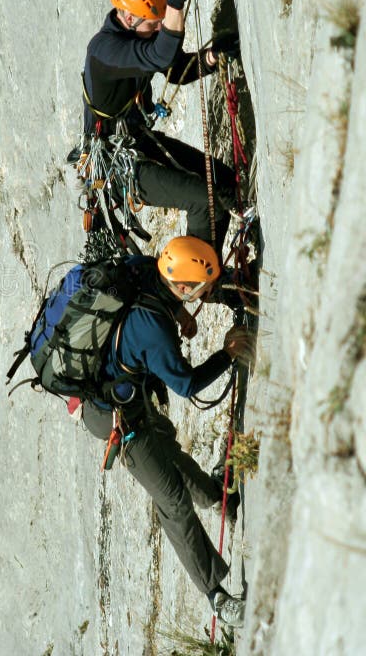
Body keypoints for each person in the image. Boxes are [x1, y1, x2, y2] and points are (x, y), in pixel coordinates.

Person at [81, 235, 253, 628]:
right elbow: (187, 385)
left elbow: (158, 303)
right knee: (172, 501)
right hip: (115, 422)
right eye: (200, 291)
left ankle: (216, 498)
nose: (203, 295)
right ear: (183, 286)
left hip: (126, 398)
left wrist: (180, 316)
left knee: (168, 449)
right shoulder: (152, 330)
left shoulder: (147, 269)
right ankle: (217, 598)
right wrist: (227, 354)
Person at [74, 0, 244, 253]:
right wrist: (175, 6)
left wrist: (212, 57)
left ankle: (229, 258)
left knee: (224, 182)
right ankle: (202, 282)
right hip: (117, 170)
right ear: (129, 18)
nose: (157, 29)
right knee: (204, 201)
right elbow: (159, 55)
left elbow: (174, 70)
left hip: (135, 145)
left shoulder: (137, 37)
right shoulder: (104, 51)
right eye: (154, 24)